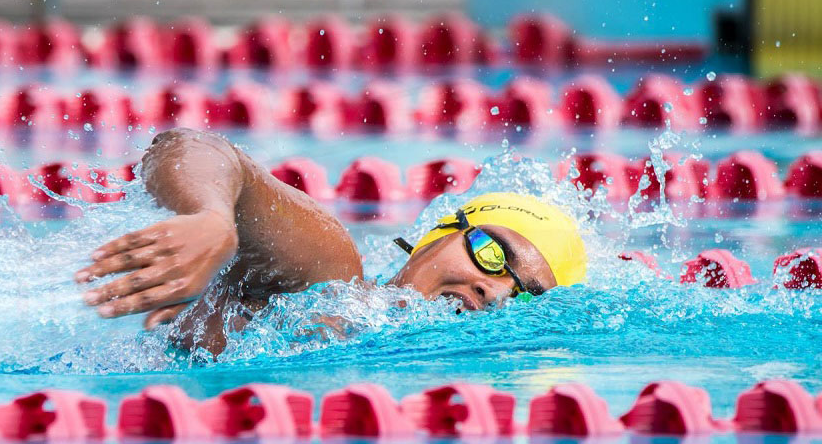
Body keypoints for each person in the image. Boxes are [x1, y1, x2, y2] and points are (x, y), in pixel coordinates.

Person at [76, 130, 586, 353]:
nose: (496, 292)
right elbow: (192, 147)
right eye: (493, 254)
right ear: (441, 233)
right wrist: (212, 218)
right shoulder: (331, 272)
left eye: (523, 296)